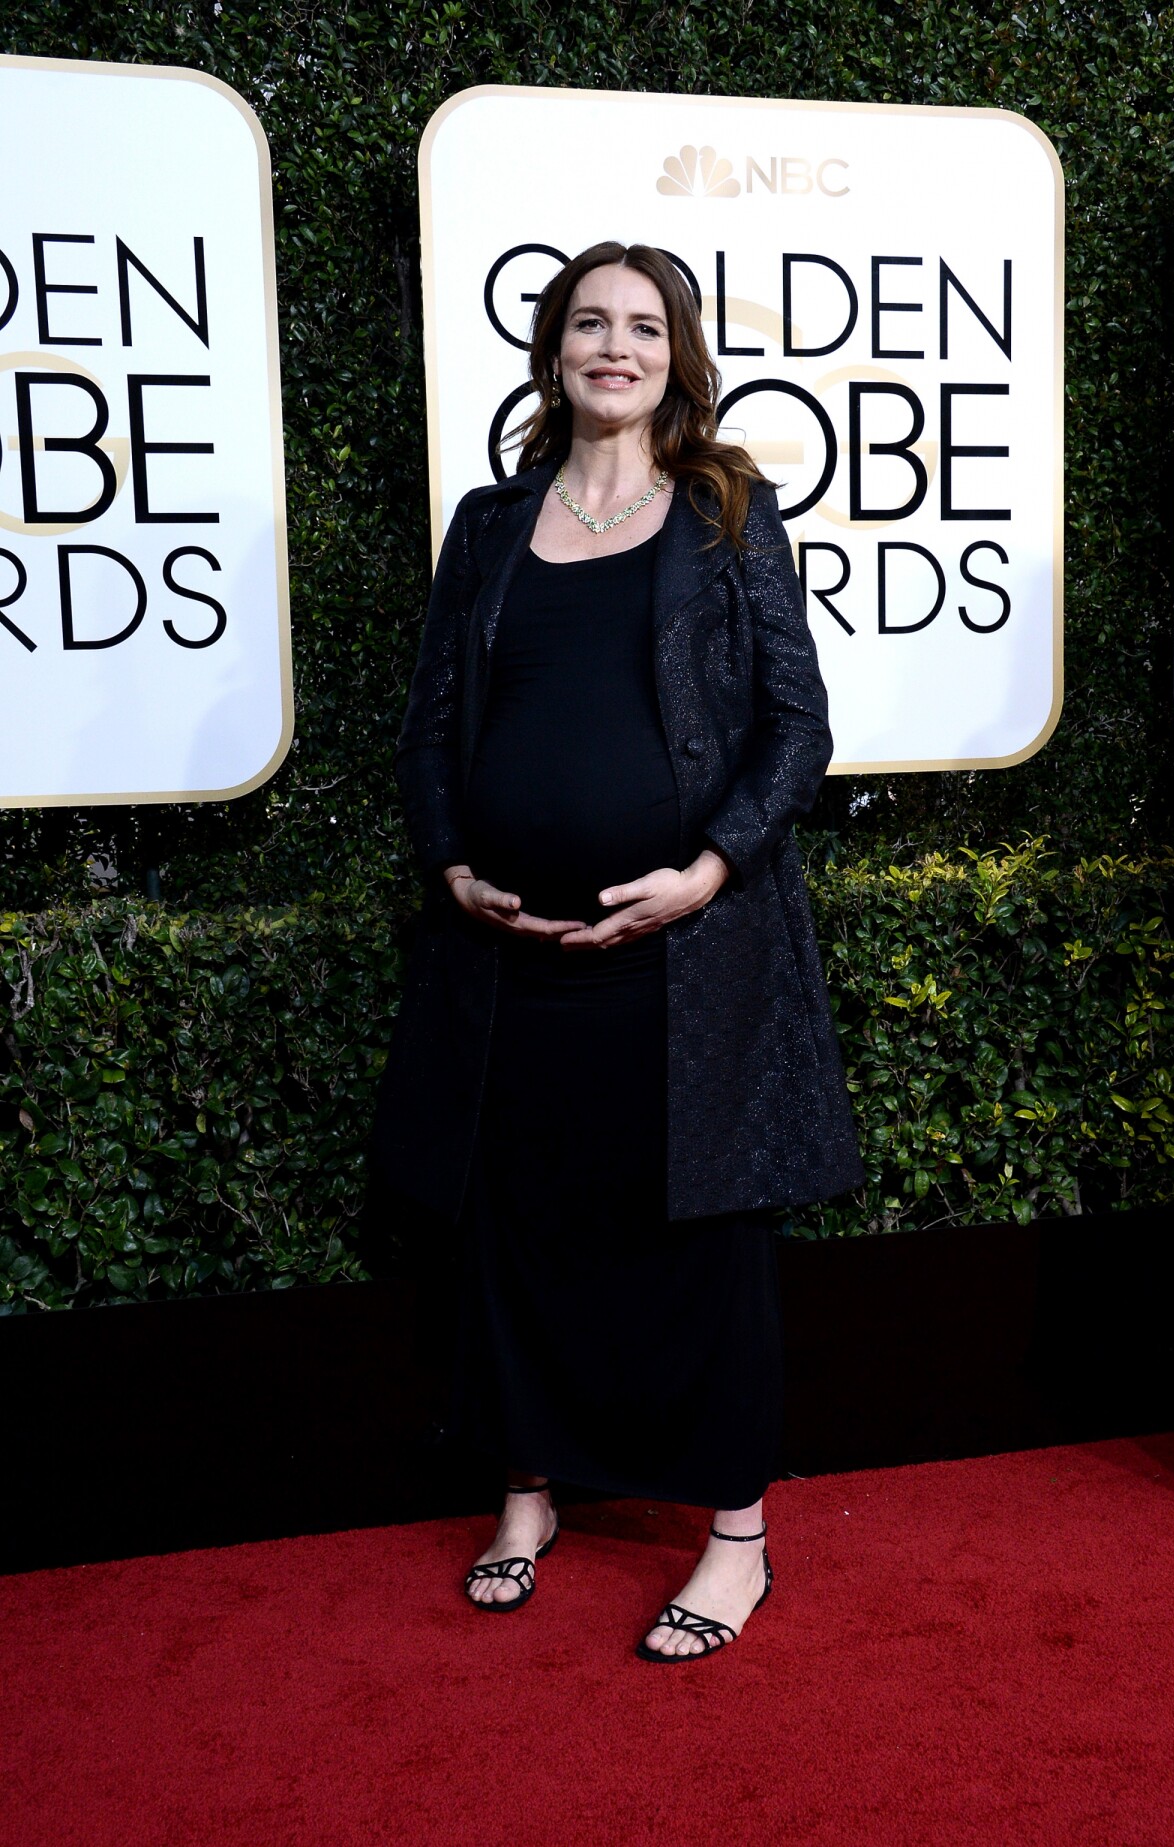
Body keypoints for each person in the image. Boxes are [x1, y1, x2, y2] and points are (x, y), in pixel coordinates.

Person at [373, 240, 862, 1661]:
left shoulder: (724, 511)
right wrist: (454, 857)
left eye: (641, 326)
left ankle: (734, 1542)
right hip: (511, 956)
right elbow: (429, 728)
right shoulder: (486, 524)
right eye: (588, 322)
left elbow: (796, 723)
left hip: (686, 954)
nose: (613, 346)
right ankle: (527, 1503)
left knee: (703, 1249)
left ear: (677, 355)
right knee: (516, 1225)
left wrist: (707, 871)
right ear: (552, 347)